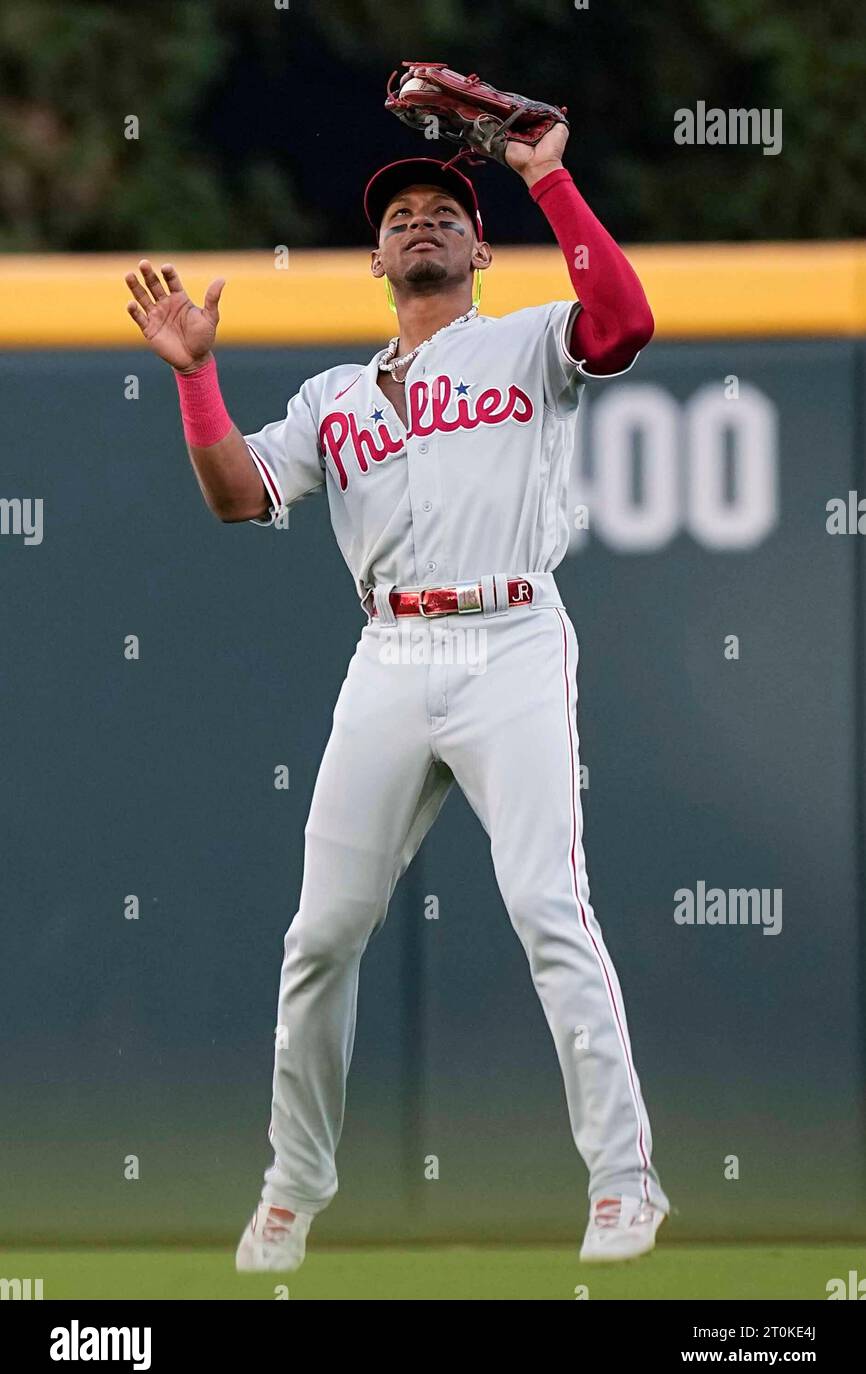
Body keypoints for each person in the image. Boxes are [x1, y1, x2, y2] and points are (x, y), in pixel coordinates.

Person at [124, 117, 669, 1270]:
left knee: (546, 909)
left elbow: (622, 324)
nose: (419, 224)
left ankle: (624, 1181)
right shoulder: (335, 396)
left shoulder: (525, 344)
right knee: (321, 932)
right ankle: (292, 1182)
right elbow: (236, 495)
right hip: (388, 655)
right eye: (397, 219)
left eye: (444, 217)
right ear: (374, 260)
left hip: (511, 635)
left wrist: (546, 177)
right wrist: (197, 380)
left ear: (480, 251)